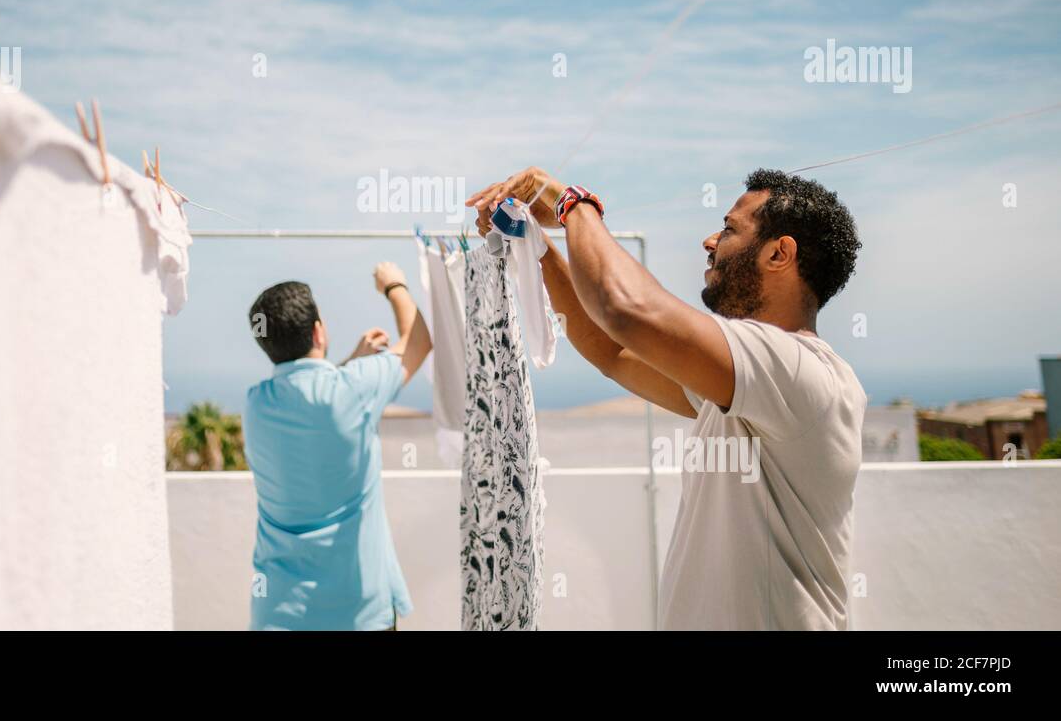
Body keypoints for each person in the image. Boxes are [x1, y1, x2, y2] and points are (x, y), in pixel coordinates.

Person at [467, 167, 866, 630]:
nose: (710, 240)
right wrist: (536, 247)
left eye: (731, 228)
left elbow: (626, 309)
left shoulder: (798, 369)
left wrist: (574, 204)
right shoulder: (748, 384)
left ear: (780, 253)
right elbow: (612, 349)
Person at [243, 263, 432, 631]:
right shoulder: (353, 390)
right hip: (358, 614)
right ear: (318, 331)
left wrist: (349, 363)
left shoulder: (256, 405)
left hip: (279, 616)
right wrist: (393, 284)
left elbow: (312, 395)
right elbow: (418, 340)